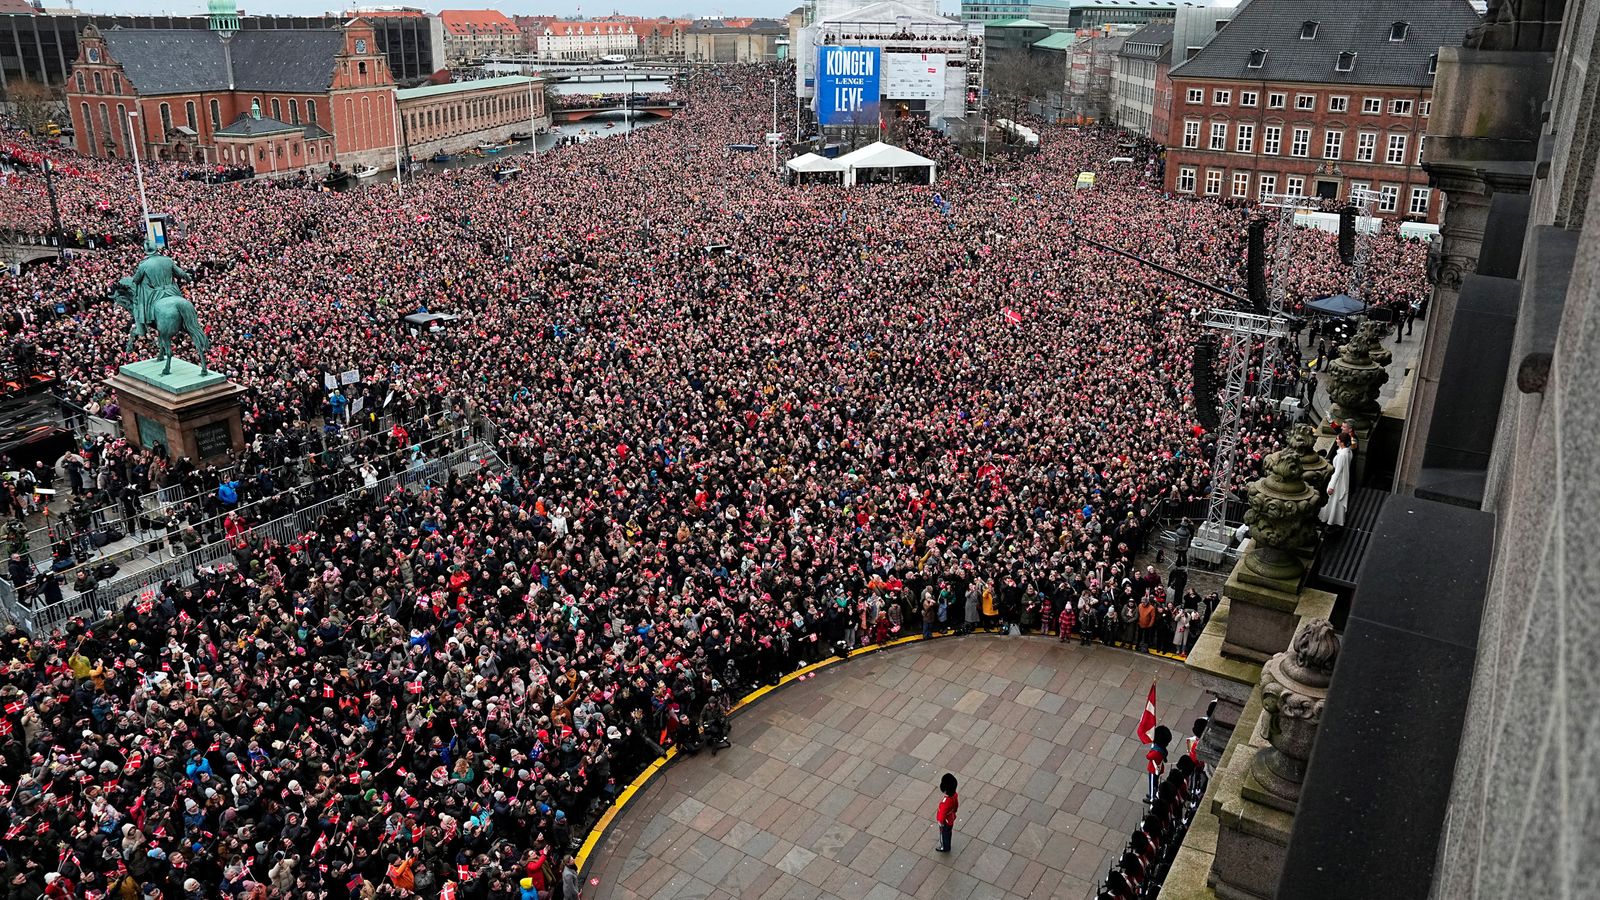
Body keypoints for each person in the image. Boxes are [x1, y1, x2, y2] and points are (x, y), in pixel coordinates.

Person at [1319, 433, 1353, 531]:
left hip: (1337, 482)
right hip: (1343, 480)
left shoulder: (1342, 455)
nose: (1336, 440)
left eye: (1338, 439)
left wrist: (1331, 486)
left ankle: (1329, 520)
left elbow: (1337, 472)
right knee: (1335, 502)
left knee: (1332, 501)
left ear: (1341, 442)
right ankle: (1334, 520)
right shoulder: (1348, 452)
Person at [1145, 725, 1172, 805]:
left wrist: (1153, 746)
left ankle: (1152, 798)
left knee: (1152, 784)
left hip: (1154, 770)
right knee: (1155, 783)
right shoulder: (1162, 748)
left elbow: (1148, 756)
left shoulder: (1156, 751)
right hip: (1158, 768)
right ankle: (1153, 794)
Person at [935, 773, 959, 853]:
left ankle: (944, 847)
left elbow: (941, 815)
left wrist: (940, 822)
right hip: (950, 818)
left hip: (945, 822)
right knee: (948, 833)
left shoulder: (945, 803)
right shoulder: (954, 795)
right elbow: (956, 805)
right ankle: (947, 845)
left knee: (943, 834)